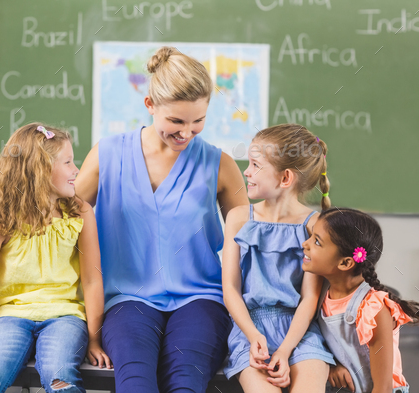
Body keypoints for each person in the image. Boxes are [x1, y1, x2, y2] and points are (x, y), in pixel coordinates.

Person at [75, 46, 248, 392]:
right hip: (128, 298)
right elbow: (62, 221)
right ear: (150, 106)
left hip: (201, 298)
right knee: (136, 382)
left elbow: (250, 240)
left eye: (198, 121)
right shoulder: (107, 154)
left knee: (185, 382)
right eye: (176, 121)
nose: (187, 132)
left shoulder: (221, 165)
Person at [0, 123, 110, 393]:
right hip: (9, 316)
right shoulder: (1, 216)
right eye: (67, 162)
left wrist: (94, 341)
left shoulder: (81, 213)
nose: (76, 170)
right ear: (40, 170)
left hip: (65, 316)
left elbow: (91, 281)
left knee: (60, 377)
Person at [221, 124, 335, 392]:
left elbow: (309, 298)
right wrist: (253, 336)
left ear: (285, 178)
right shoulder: (238, 218)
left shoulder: (314, 225)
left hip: (300, 333)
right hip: (249, 331)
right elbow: (230, 290)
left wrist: (284, 351)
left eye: (255, 165)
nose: (246, 171)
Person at [302, 208, 418, 393]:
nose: (304, 244)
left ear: (346, 263)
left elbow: (383, 387)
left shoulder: (374, 309)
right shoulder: (320, 293)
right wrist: (333, 365)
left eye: (316, 241)